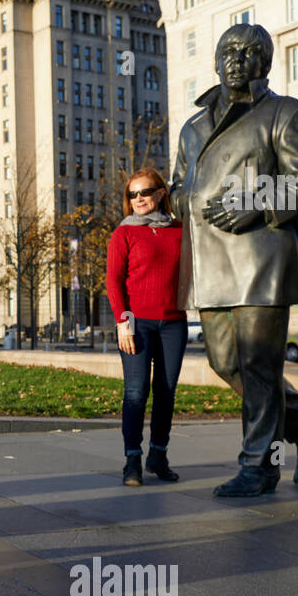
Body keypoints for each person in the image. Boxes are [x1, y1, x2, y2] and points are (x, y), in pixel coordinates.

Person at [169, 22, 298, 497]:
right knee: (225, 362)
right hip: (210, 261)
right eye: (227, 51)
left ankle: (258, 466)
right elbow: (181, 184)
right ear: (215, 60)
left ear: (264, 62)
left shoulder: (282, 112)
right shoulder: (193, 126)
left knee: (259, 364)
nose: (236, 59)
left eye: (248, 52)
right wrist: (183, 201)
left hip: (261, 258)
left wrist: (256, 203)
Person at [107, 167, 187, 487]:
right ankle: (132, 460)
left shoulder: (180, 230)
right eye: (132, 194)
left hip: (173, 323)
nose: (138, 198)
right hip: (137, 325)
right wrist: (123, 323)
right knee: (136, 392)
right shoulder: (123, 233)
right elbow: (113, 282)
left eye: (145, 191)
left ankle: (158, 454)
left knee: (166, 392)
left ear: (160, 192)